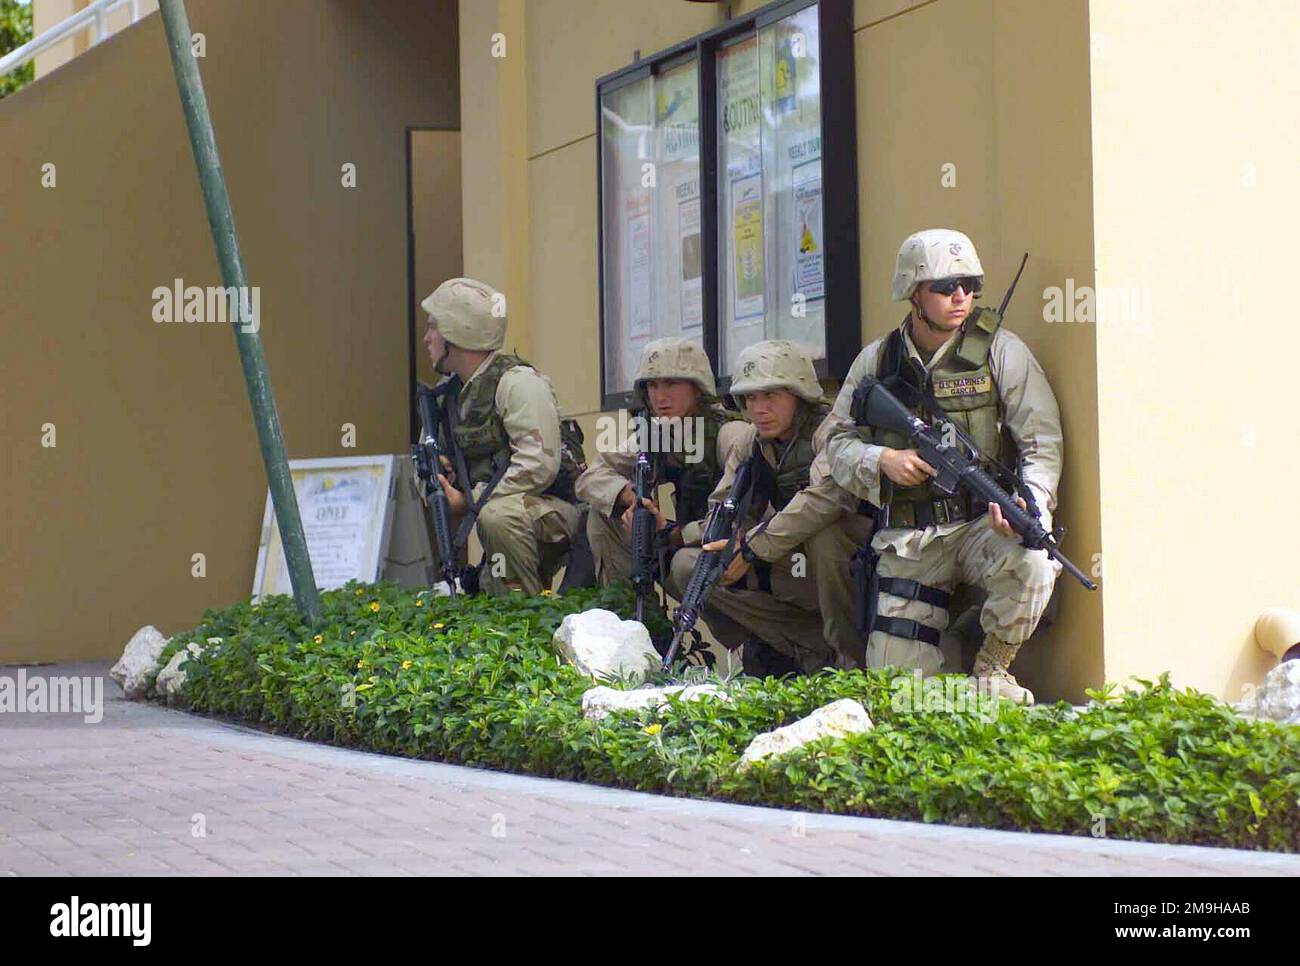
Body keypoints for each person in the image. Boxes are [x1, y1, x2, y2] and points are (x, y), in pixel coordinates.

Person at [817, 229, 1064, 703]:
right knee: (899, 695)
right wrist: (881, 460)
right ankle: (953, 660)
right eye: (946, 286)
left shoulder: (1000, 351)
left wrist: (1029, 504)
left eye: (970, 285)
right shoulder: (878, 360)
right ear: (913, 292)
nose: (961, 297)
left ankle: (992, 669)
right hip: (910, 540)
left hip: (979, 526)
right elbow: (835, 441)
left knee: (1036, 562)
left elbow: (1042, 440)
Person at [663, 340, 864, 676]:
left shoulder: (830, 430)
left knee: (825, 536)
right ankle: (782, 645)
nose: (758, 408)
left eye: (770, 395)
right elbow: (720, 504)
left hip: (849, 567)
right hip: (790, 565)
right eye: (750, 398)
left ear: (798, 393)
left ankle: (851, 665)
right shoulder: (751, 442)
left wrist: (754, 546)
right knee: (690, 566)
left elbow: (828, 498)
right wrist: (726, 537)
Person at [420, 276, 581, 595]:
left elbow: (537, 467)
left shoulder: (518, 384)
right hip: (507, 512)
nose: (426, 338)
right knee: (495, 519)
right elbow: (436, 463)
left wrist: (469, 500)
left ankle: (522, 618)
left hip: (555, 513)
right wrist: (442, 477)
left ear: (456, 332)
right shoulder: (451, 397)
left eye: (433, 327)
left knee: (498, 515)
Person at [575, 336, 747, 586]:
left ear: (697, 388)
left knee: (685, 562)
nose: (660, 396)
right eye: (653, 386)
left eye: (671, 384)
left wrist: (674, 533)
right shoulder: (658, 433)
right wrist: (631, 497)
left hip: (732, 551)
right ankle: (631, 617)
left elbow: (744, 518)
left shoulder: (731, 434)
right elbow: (590, 478)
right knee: (604, 512)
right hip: (683, 542)